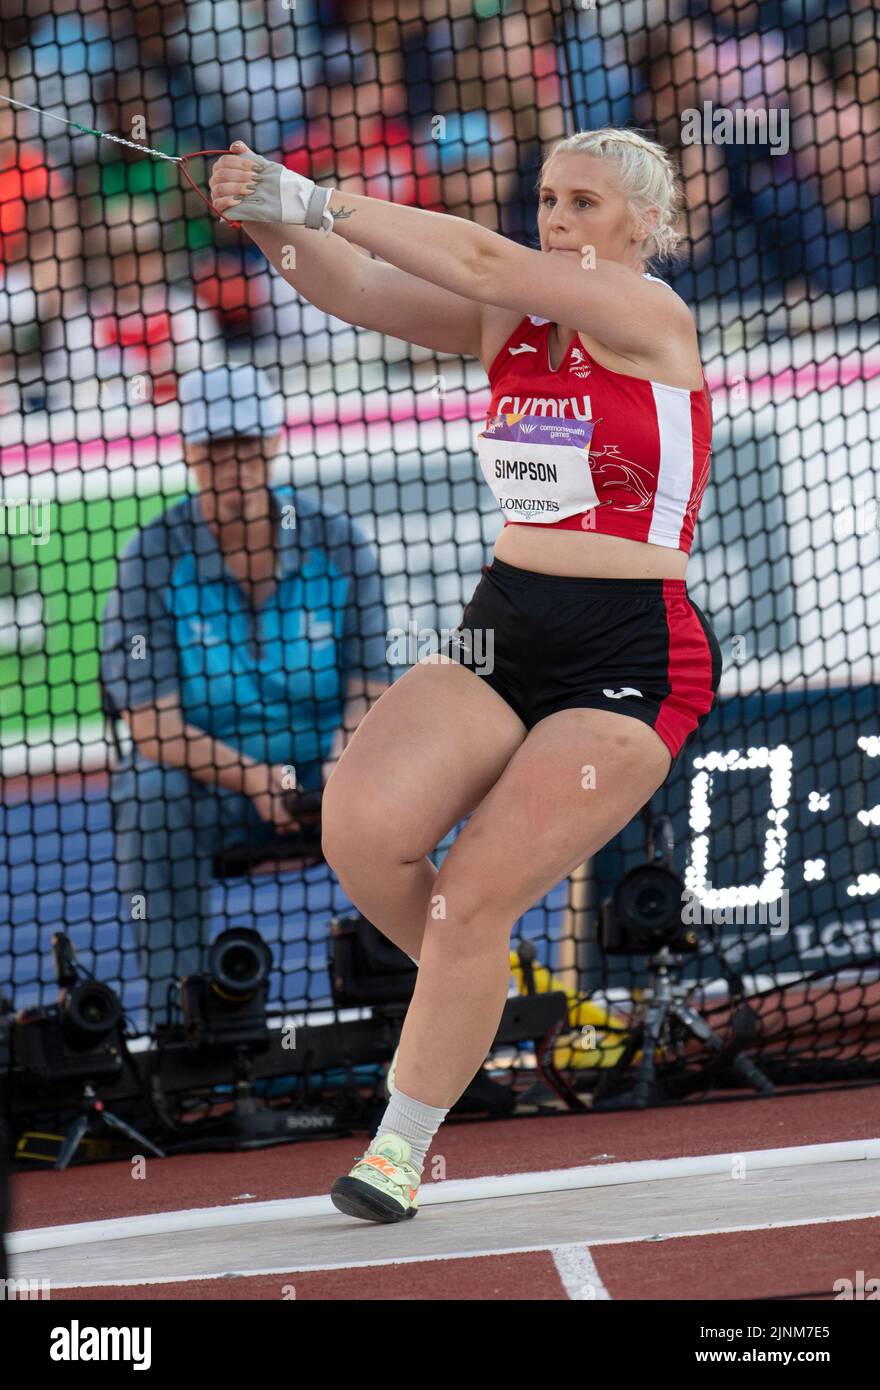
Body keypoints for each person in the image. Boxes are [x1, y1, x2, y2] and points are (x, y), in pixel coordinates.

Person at [209, 125, 722, 1222]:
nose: (558, 217)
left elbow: (478, 257)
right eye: (547, 198)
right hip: (505, 623)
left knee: (470, 902)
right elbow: (356, 291)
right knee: (358, 825)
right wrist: (265, 218)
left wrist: (317, 193)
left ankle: (399, 1145)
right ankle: (478, 977)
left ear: (642, 222)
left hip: (631, 649)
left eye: (585, 202)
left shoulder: (650, 313)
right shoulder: (511, 316)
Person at [100, 362, 392, 1026]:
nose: (234, 470)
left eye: (247, 449)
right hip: (213, 789)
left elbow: (370, 688)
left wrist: (347, 760)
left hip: (330, 776)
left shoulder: (339, 544)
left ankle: (414, 1006)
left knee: (411, 773)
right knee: (146, 790)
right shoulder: (149, 559)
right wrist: (256, 779)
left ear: (273, 445)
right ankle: (186, 1022)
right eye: (216, 452)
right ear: (189, 455)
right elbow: (152, 726)